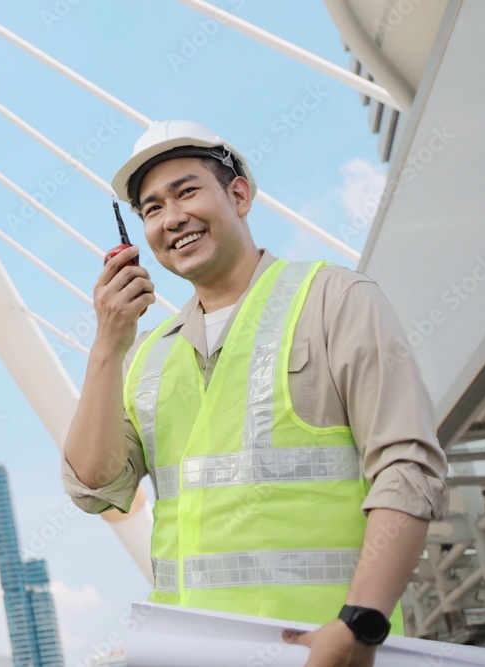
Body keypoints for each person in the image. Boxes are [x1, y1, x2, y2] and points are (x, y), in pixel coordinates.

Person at [61, 120, 449, 667]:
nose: (172, 218)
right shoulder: (146, 357)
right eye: (151, 209)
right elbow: (94, 489)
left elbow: (408, 468)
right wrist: (107, 347)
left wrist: (360, 623)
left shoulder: (335, 301)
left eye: (187, 191)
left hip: (327, 650)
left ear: (238, 194)